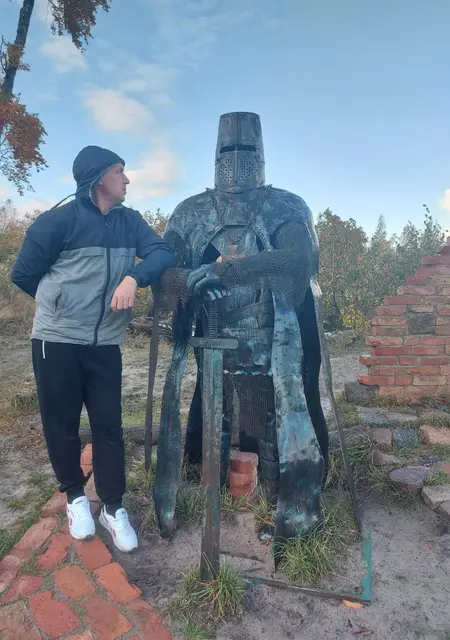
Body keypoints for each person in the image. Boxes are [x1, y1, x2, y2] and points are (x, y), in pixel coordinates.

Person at [10, 145, 177, 552]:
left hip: (106, 343)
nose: (127, 179)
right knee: (62, 423)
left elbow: (164, 252)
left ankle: (113, 507)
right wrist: (62, 306)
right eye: (120, 171)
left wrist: (134, 278)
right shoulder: (57, 222)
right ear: (101, 177)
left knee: (109, 425)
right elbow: (23, 274)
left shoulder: (129, 222)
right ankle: (75, 497)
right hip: (56, 341)